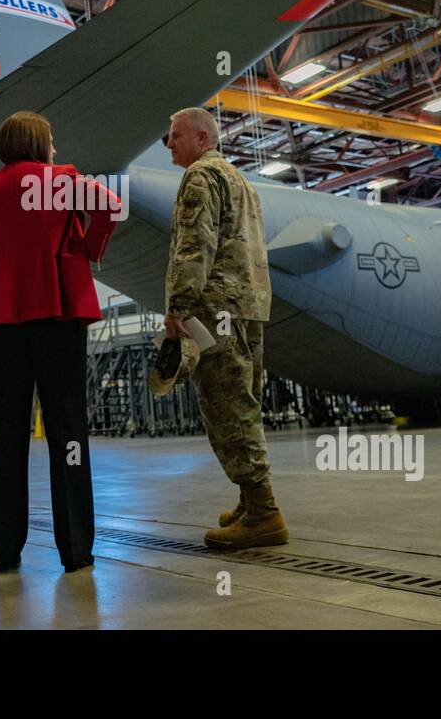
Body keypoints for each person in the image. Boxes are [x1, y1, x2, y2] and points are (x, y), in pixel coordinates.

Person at [0, 111, 118, 574]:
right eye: (51, 139)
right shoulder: (61, 181)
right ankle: (75, 551)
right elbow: (111, 205)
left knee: (5, 438)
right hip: (58, 318)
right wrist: (86, 250)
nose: (55, 147)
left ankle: (6, 553)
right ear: (40, 143)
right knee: (68, 433)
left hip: (2, 326)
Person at [162, 107, 287, 550]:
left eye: (175, 136)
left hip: (216, 311)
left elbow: (195, 246)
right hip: (249, 307)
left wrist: (178, 307)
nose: (169, 143)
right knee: (244, 400)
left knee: (226, 406)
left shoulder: (200, 178)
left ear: (202, 136)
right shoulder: (241, 181)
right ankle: (251, 501)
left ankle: (264, 513)